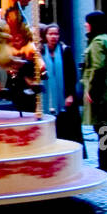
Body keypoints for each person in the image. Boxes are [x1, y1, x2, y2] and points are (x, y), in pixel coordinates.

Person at [82, 12, 107, 177]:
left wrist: (92, 92)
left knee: (102, 127)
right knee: (105, 128)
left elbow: (98, 67)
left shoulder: (97, 41)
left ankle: (105, 165)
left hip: (100, 91)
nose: (85, 25)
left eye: (87, 22)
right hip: (105, 90)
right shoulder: (105, 38)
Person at [42, 23, 83, 153]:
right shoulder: (40, 51)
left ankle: (68, 150)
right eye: (50, 34)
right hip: (46, 95)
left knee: (67, 124)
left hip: (64, 95)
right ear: (45, 36)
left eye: (56, 34)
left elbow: (72, 74)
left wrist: (70, 94)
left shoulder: (65, 50)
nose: (53, 37)